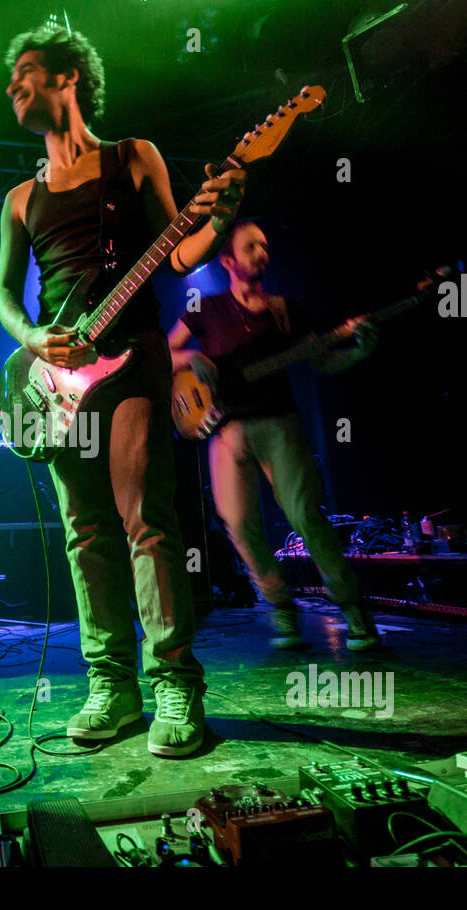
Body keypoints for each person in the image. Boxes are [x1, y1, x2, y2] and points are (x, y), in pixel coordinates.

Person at [0, 26, 245, 757]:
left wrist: (221, 214)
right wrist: (35, 340)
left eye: (28, 72)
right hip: (59, 375)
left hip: (133, 356)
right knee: (87, 531)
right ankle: (111, 683)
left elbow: (181, 250)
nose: (12, 86)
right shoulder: (19, 199)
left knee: (145, 518)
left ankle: (175, 683)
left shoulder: (134, 156)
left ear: (70, 76)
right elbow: (8, 297)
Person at [167, 220, 383, 650]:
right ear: (227, 260)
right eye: (251, 247)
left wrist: (359, 349)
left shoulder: (287, 311)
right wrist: (192, 355)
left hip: (279, 424)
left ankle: (354, 609)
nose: (262, 252)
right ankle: (281, 607)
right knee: (238, 524)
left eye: (265, 245)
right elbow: (164, 354)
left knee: (306, 517)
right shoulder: (204, 310)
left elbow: (322, 362)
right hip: (225, 432)